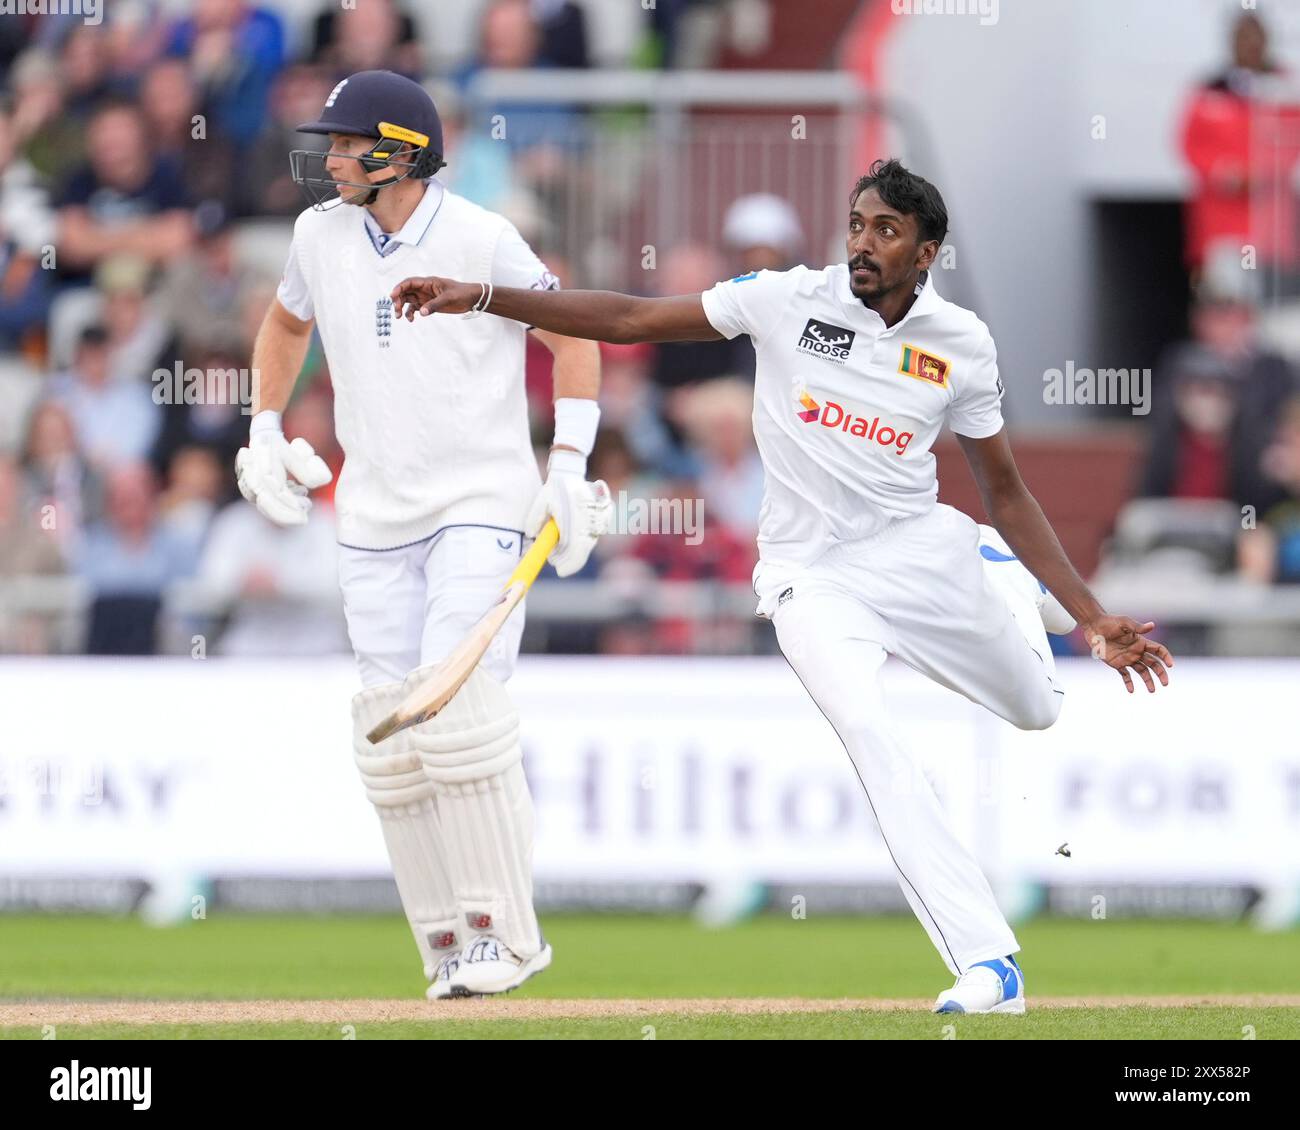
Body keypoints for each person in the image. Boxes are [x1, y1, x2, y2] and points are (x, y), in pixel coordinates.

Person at [389, 158, 1175, 1015]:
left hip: (923, 553)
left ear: (927, 252)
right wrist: (485, 296)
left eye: (887, 232)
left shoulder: (962, 344)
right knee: (873, 737)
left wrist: (1093, 618)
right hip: (809, 573)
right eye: (857, 224)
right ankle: (991, 964)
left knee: (1039, 709)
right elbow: (625, 317)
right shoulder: (783, 298)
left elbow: (1008, 490)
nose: (863, 245)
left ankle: (1004, 578)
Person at [235, 70, 610, 999]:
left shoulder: (482, 236)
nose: (329, 159)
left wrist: (568, 463)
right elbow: (287, 324)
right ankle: (448, 939)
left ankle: (506, 936)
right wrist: (265, 428)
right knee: (390, 738)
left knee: (455, 712)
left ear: (399, 152)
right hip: (372, 513)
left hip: (480, 501)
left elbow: (575, 334)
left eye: (345, 143)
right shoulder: (316, 234)